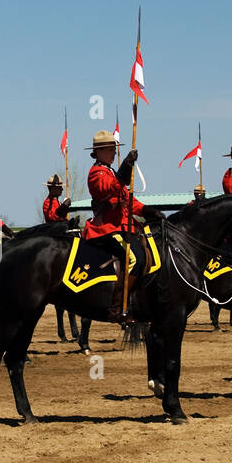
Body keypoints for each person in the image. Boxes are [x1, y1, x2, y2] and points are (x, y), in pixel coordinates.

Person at [84, 130, 148, 322]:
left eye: (114, 149)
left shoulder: (110, 171)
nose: (113, 152)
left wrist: (148, 212)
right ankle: (117, 306)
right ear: (98, 152)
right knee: (134, 259)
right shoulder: (96, 173)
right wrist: (126, 166)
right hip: (105, 228)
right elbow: (110, 188)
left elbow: (129, 201)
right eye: (109, 149)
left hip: (123, 226)